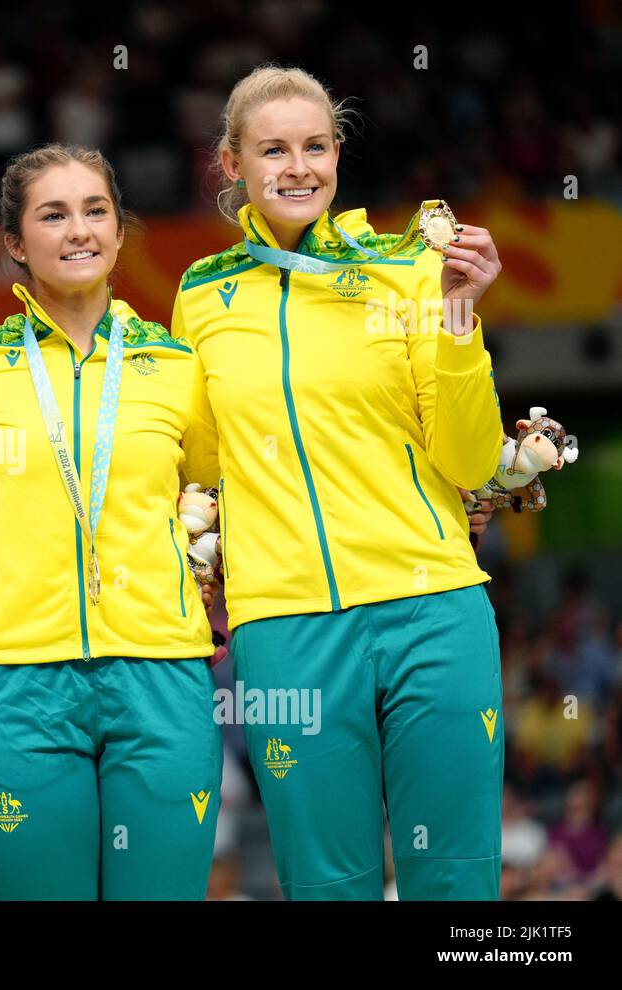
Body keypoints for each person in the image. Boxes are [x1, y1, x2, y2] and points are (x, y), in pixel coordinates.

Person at [171, 65, 506, 899]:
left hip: (433, 610)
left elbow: (470, 460)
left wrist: (461, 317)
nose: (298, 167)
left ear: (338, 154)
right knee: (327, 883)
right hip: (285, 628)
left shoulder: (407, 270)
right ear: (231, 164)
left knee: (455, 876)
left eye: (315, 146)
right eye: (273, 149)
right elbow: (203, 470)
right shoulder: (202, 297)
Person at [0, 145, 222, 900]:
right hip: (23, 675)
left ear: (121, 233)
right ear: (15, 244)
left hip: (160, 669)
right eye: (52, 214)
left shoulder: (178, 366)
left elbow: (218, 490)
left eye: (96, 211)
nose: (78, 230)